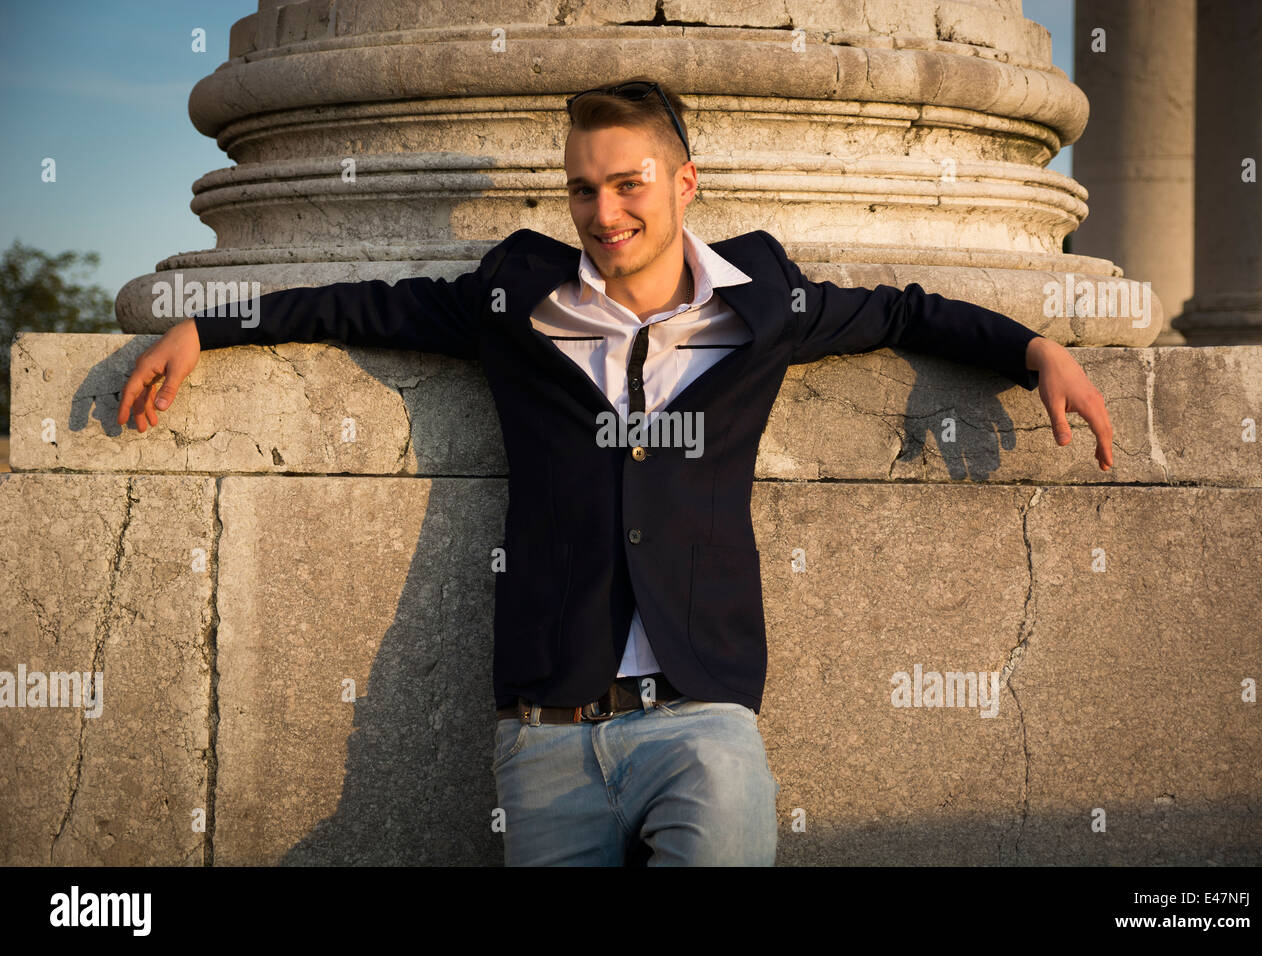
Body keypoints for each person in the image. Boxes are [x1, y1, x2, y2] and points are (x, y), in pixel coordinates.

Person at [116, 77, 1114, 866]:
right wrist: (207, 321)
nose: (603, 211)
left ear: (683, 183)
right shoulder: (515, 300)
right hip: (546, 732)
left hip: (702, 725)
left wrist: (1035, 351)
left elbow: (902, 310)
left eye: (628, 183)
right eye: (583, 188)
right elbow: (358, 304)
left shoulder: (761, 303)